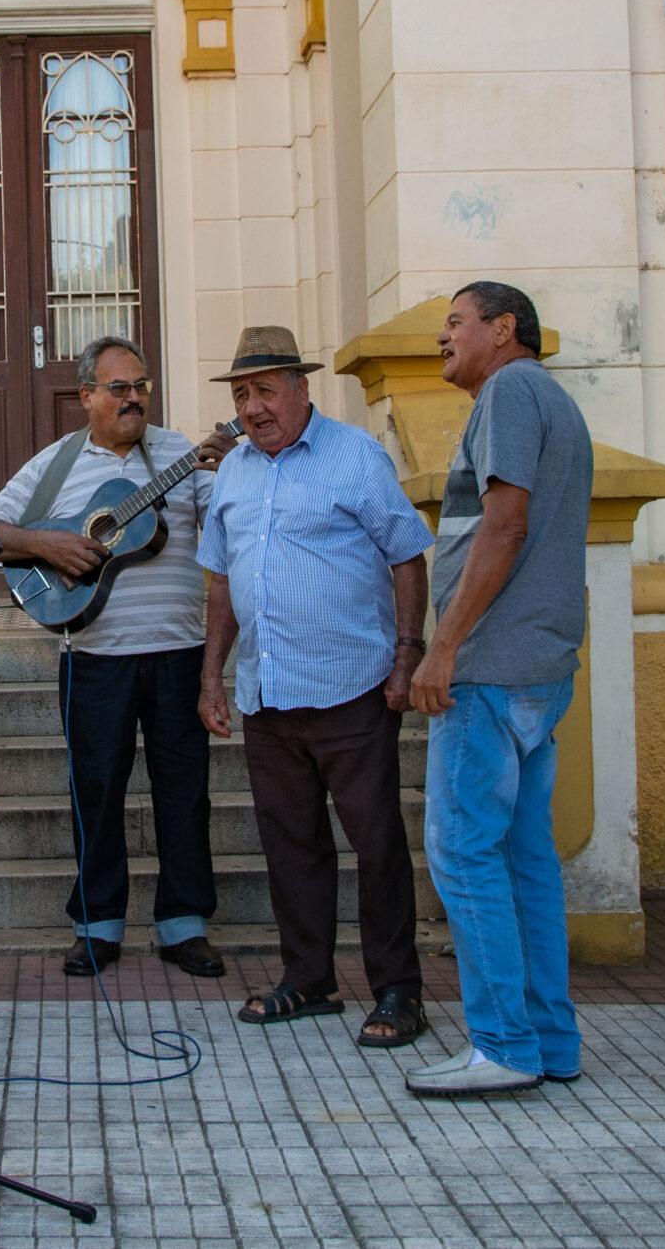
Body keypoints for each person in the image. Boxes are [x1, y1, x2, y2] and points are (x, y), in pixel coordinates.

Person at [196, 325, 433, 1051]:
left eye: (266, 389)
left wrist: (406, 655)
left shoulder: (355, 456)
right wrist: (211, 673)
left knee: (377, 841)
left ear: (302, 389)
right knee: (290, 843)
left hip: (352, 687)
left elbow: (407, 557)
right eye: (242, 393)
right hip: (268, 692)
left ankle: (398, 988)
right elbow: (219, 581)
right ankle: (310, 977)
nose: (254, 406)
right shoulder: (232, 472)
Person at [0, 335, 234, 980]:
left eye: (141, 386)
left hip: (180, 651)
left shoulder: (183, 453)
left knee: (184, 793)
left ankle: (185, 925)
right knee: (95, 792)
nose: (133, 399)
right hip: (94, 654)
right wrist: (47, 541)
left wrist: (233, 473)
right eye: (118, 388)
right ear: (87, 396)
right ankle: (96, 926)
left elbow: (232, 526)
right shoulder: (54, 465)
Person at [404, 282, 592, 1097]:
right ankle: (548, 1039)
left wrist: (442, 646)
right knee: (522, 855)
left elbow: (505, 525)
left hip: (489, 668)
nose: (442, 337)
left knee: (463, 850)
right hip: (536, 667)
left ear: (503, 328)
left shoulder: (511, 389)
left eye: (455, 322)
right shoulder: (549, 397)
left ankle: (504, 1043)